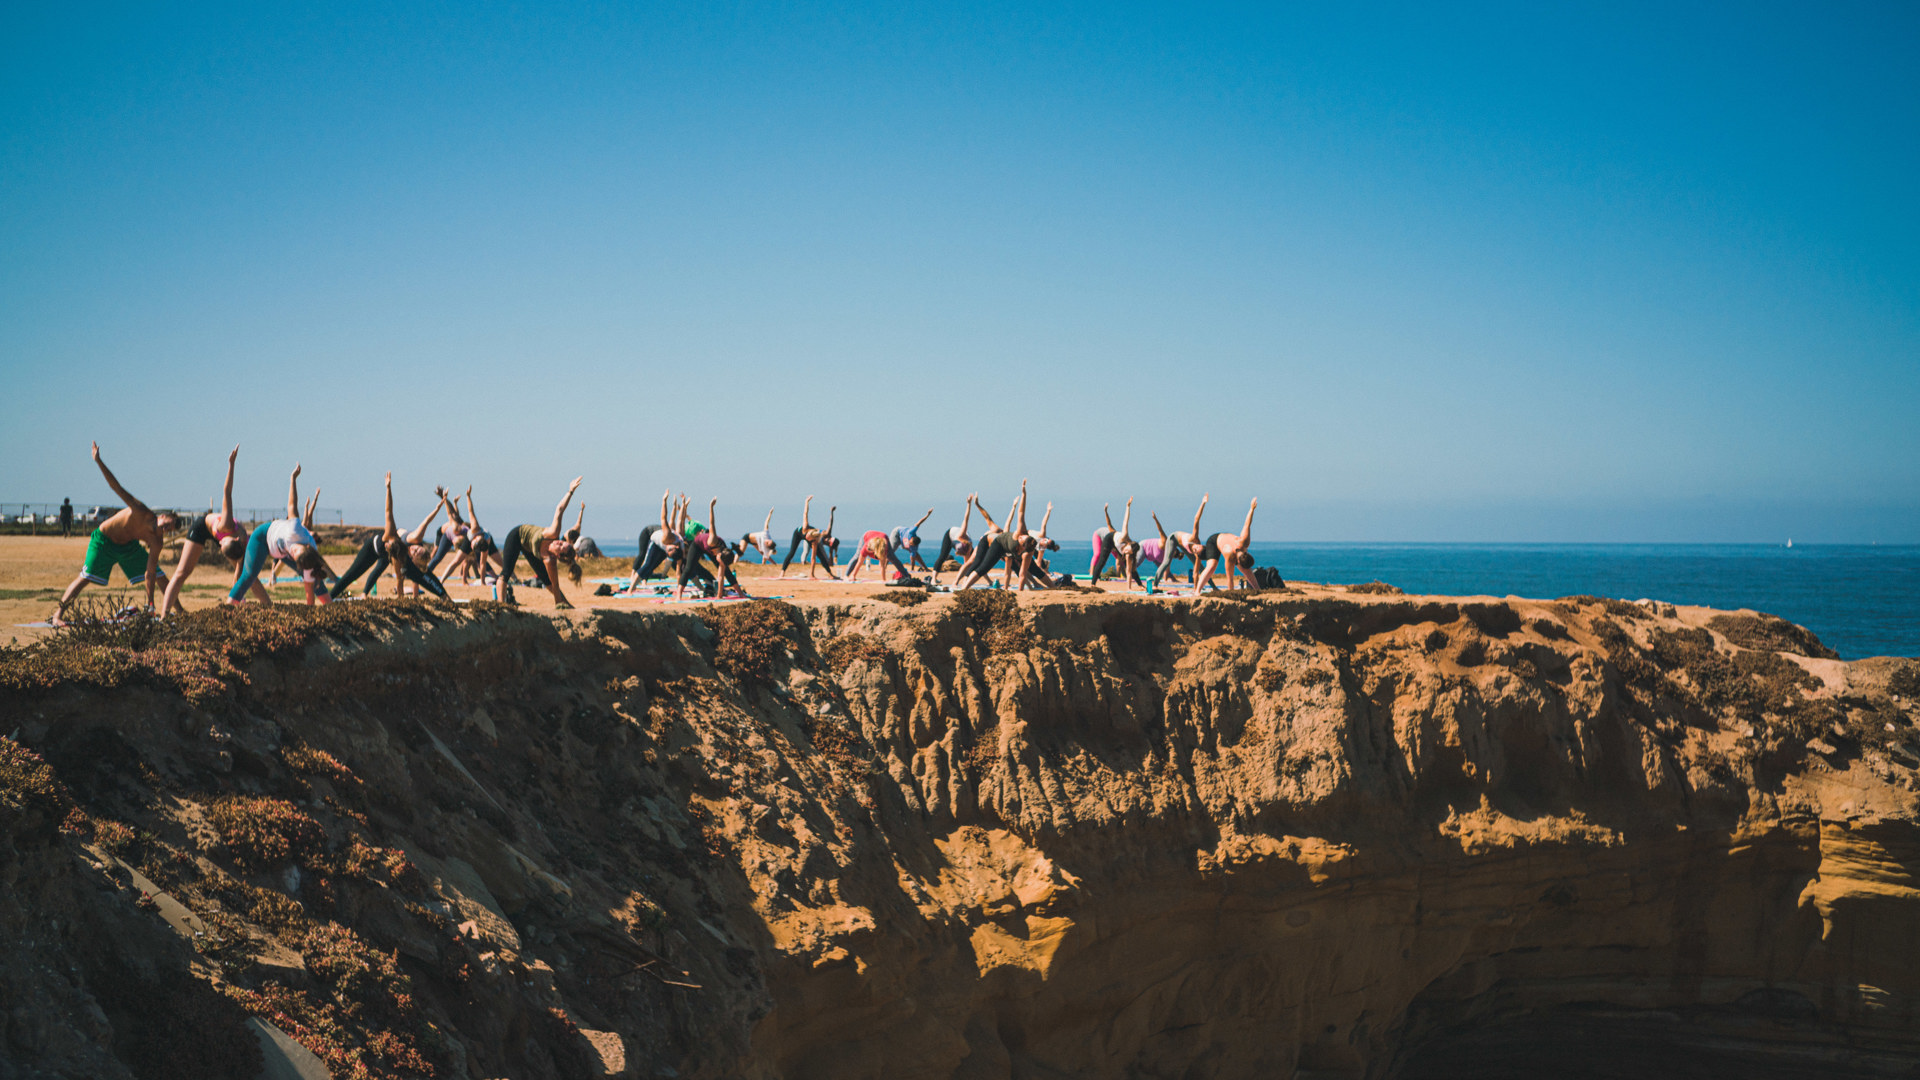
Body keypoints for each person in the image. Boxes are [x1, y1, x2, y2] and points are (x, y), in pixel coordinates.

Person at [51, 442, 180, 625]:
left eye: (171, 530)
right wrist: (99, 461)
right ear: (163, 516)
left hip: (128, 546)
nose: (167, 529)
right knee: (85, 577)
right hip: (104, 541)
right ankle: (58, 615)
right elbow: (116, 487)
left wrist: (150, 604)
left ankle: (180, 611)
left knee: (160, 576)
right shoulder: (141, 510)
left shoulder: (156, 540)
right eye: (169, 524)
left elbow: (150, 573)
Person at [161, 445, 265, 615]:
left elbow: (237, 580)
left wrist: (236, 603)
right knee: (182, 571)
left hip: (232, 544)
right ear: (233, 538)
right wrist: (231, 465)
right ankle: (164, 614)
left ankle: (269, 607)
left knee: (249, 575)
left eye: (221, 545)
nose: (220, 543)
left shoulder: (240, 549)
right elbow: (227, 492)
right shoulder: (227, 524)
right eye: (223, 543)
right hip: (203, 527)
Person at [227, 463, 332, 607]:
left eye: (294, 555)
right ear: (306, 546)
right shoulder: (295, 530)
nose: (293, 551)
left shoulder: (307, 560)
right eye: (296, 550)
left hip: (282, 552)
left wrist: (310, 612)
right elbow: (292, 505)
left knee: (315, 578)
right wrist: (293, 479)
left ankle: (330, 606)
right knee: (249, 575)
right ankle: (228, 606)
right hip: (263, 538)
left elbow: (309, 592)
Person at [329, 478, 451, 600]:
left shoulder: (398, 559)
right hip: (371, 549)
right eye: (416, 549)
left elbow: (399, 580)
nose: (415, 548)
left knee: (418, 574)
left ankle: (443, 594)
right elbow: (389, 510)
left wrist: (400, 600)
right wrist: (388, 488)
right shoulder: (391, 533)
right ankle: (332, 597)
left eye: (415, 551)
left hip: (391, 556)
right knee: (353, 573)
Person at [497, 476, 583, 608]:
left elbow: (554, 585)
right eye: (561, 542)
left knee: (549, 582)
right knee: (506, 573)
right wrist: (570, 491)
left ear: (558, 555)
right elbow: (559, 509)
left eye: (560, 546)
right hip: (517, 536)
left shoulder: (550, 561)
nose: (557, 542)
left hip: (530, 550)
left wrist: (559, 604)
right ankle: (500, 606)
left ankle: (564, 604)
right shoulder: (553, 533)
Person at [1192, 497, 1259, 591]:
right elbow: (1229, 578)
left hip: (1229, 545)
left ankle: (1258, 589)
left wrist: (1252, 509)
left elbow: (1247, 524)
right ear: (1238, 562)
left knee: (1247, 571)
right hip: (1214, 542)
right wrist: (1231, 594)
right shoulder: (1229, 554)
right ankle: (1197, 591)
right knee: (1212, 566)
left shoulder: (1245, 543)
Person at [1152, 494, 1209, 591]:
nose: (1195, 550)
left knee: (1201, 568)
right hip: (1174, 538)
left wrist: (1196, 589)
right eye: (1197, 549)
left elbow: (1195, 573)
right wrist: (1203, 503)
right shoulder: (1194, 538)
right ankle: (1155, 584)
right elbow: (1196, 519)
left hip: (1183, 545)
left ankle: (1212, 585)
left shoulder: (1197, 555)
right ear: (1201, 545)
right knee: (1166, 562)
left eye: (1196, 552)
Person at [778, 497, 839, 580]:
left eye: (808, 539)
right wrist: (806, 502)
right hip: (798, 533)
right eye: (807, 537)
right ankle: (782, 573)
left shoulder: (815, 541)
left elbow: (813, 558)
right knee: (792, 553)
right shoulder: (805, 527)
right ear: (807, 533)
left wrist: (812, 575)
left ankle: (830, 574)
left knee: (820, 556)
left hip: (814, 536)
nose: (807, 539)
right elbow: (805, 513)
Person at [931, 496, 976, 584]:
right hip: (949, 535)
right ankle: (933, 579)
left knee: (973, 560)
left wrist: (965, 580)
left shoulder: (969, 544)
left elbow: (966, 565)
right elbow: (966, 518)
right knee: (942, 556)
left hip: (961, 543)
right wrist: (968, 504)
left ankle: (968, 580)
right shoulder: (961, 533)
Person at [845, 528, 913, 583]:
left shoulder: (884, 549)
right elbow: (860, 562)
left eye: (870, 549)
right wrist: (853, 575)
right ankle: (847, 575)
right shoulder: (866, 547)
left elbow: (882, 566)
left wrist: (883, 580)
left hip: (883, 538)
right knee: (857, 556)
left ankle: (906, 575)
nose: (868, 549)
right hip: (867, 535)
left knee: (893, 558)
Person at [890, 508, 936, 572]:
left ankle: (925, 568)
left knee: (915, 554)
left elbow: (912, 558)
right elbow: (919, 522)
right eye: (910, 542)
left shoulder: (914, 547)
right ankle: (883, 566)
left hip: (904, 542)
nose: (910, 543)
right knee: (890, 551)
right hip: (897, 533)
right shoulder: (911, 532)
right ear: (911, 538)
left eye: (911, 544)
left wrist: (912, 569)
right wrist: (928, 515)